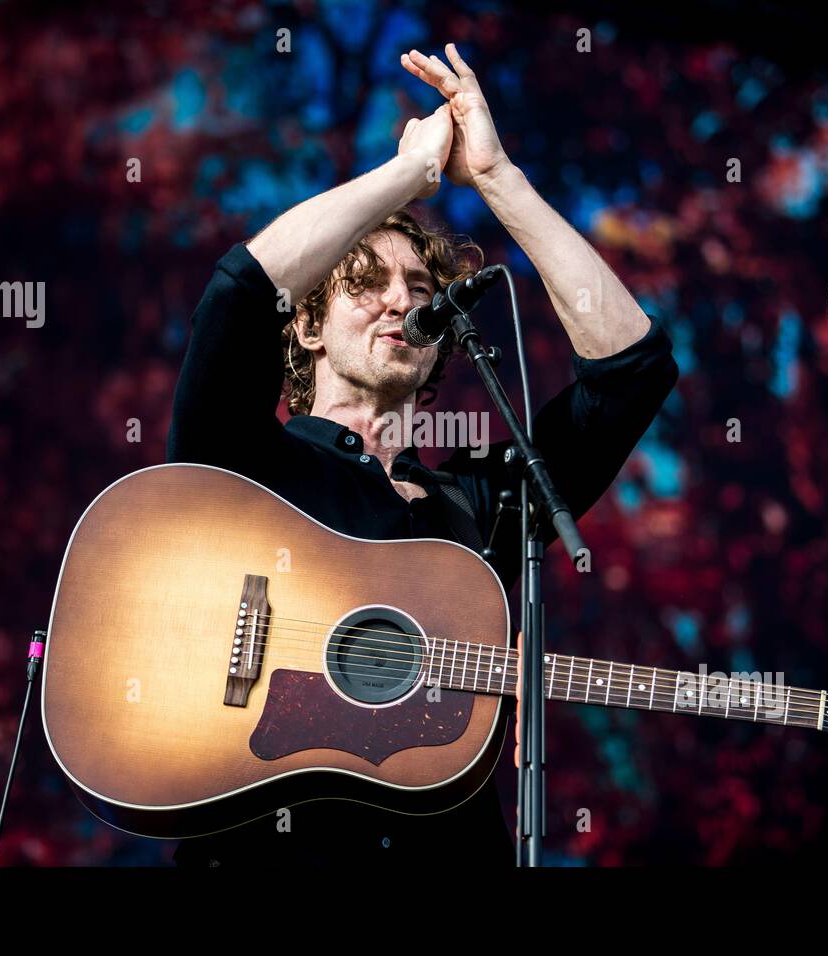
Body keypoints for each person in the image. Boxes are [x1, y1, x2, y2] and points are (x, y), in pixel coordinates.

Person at [166, 43, 678, 866]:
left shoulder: (475, 507)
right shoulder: (243, 464)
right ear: (306, 326)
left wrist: (499, 178)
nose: (401, 299)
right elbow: (241, 292)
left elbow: (631, 372)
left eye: (419, 287)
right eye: (367, 282)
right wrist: (409, 175)